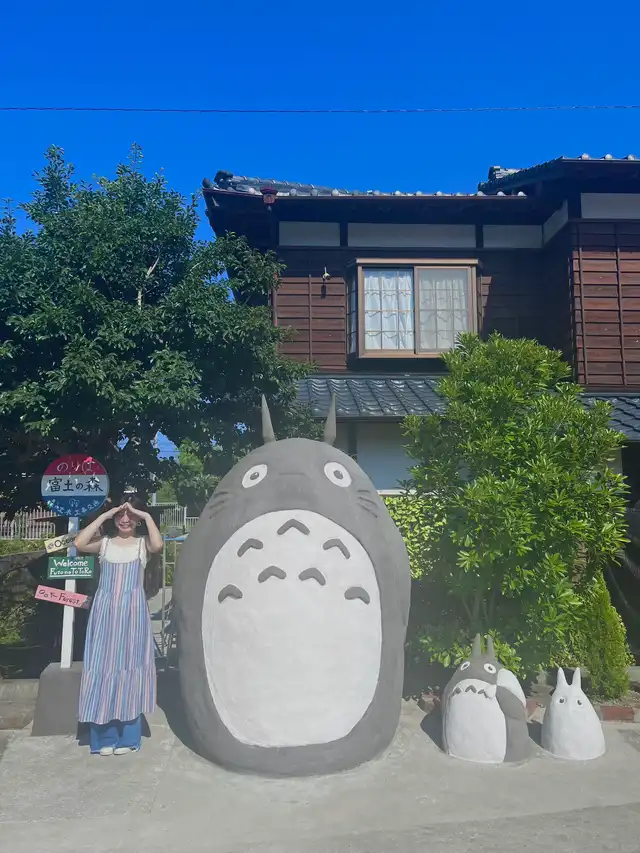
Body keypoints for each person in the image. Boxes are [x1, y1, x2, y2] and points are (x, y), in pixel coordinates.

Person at [74, 495, 163, 756]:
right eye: (121, 515)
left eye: (131, 515)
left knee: (130, 668)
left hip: (133, 616)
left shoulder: (142, 545)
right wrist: (104, 514)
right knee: (101, 667)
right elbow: (79, 543)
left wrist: (145, 515)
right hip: (104, 615)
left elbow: (158, 544)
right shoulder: (104, 544)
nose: (125, 519)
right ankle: (104, 737)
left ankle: (128, 737)